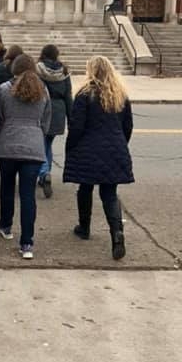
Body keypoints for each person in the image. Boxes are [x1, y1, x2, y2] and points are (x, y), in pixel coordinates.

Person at [62, 55, 133, 260]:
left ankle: (84, 227)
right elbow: (127, 125)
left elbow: (77, 126)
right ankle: (117, 232)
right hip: (115, 148)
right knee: (109, 193)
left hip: (88, 148)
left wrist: (71, 147)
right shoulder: (120, 95)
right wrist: (120, 143)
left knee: (85, 188)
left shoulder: (85, 94)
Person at [0, 54, 51, 259]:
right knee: (28, 195)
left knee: (7, 187)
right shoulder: (43, 90)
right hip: (33, 144)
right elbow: (46, 120)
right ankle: (27, 242)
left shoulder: (3, 89)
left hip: (8, 142)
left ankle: (5, 225)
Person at [35, 44, 73, 198]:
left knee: (41, 143)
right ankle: (46, 172)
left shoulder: (38, 69)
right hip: (58, 109)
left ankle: (44, 173)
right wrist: (71, 118)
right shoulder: (64, 71)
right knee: (48, 143)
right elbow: (68, 96)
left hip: (43, 106)